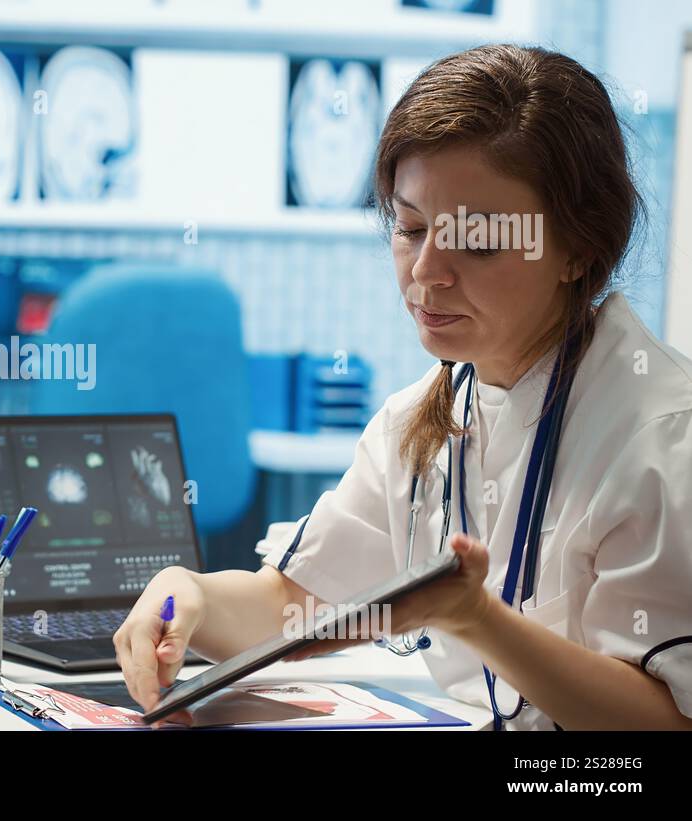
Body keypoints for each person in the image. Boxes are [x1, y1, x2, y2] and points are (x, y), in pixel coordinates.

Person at [115, 44, 692, 730]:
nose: (425, 272)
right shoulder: (425, 418)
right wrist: (191, 595)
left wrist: (477, 619)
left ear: (578, 249)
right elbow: (294, 603)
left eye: (475, 241)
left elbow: (664, 721)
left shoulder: (663, 437)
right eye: (410, 227)